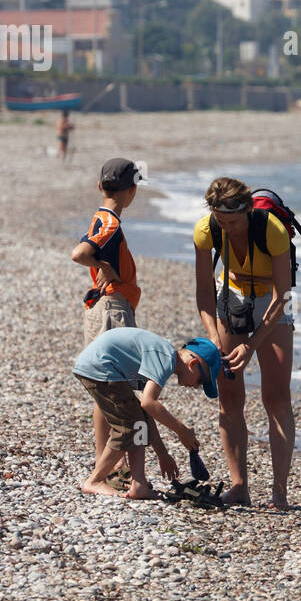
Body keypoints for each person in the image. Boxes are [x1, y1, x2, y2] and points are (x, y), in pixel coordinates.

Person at [192, 177, 295, 510]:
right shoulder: (207, 229)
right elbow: (205, 293)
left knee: (276, 395)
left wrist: (251, 344)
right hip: (231, 294)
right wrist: (212, 335)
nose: (228, 228)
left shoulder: (273, 230)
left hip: (273, 300)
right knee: (229, 393)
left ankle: (279, 492)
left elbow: (283, 295)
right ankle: (239, 486)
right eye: (221, 221)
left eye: (233, 222)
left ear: (248, 212)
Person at [72, 327, 217, 499]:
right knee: (127, 429)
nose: (196, 386)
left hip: (104, 367)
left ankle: (138, 484)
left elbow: (145, 413)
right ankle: (95, 480)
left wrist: (162, 453)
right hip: (101, 367)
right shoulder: (165, 358)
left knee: (137, 422)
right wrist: (181, 430)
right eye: (200, 381)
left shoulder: (164, 357)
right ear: (193, 364)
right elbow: (149, 403)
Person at [71, 158, 143, 476]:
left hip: (104, 306)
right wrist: (106, 267)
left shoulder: (101, 217)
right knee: (120, 392)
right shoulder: (111, 224)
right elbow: (80, 253)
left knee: (104, 391)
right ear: (132, 191)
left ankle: (109, 463)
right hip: (112, 309)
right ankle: (115, 465)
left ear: (100, 186)